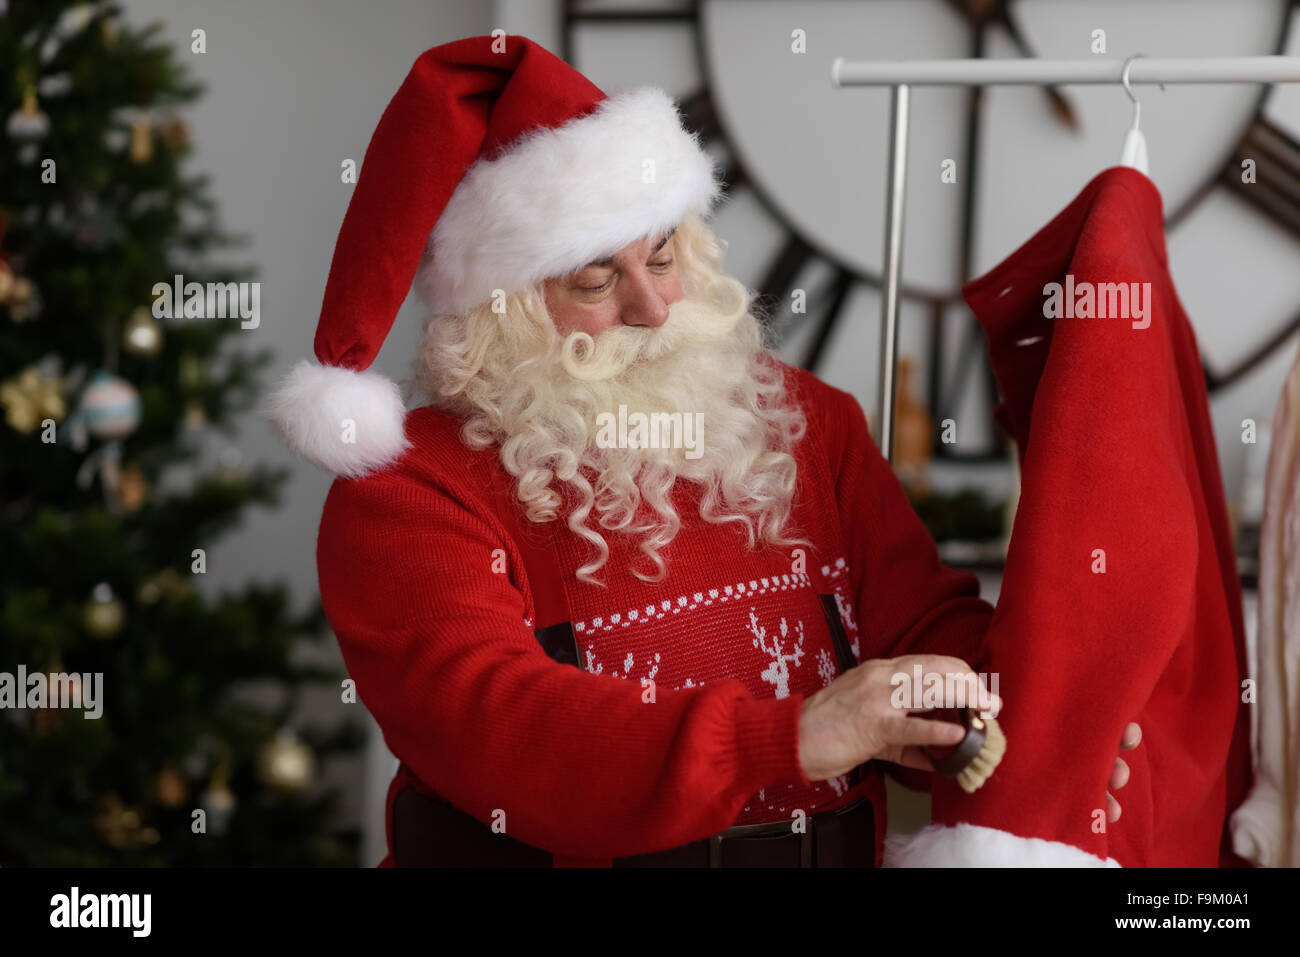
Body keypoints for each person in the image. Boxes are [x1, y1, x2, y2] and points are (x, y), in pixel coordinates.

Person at [265, 33, 1137, 867]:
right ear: (502, 312)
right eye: (596, 278)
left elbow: (919, 630)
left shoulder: (810, 422)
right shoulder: (407, 493)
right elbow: (510, 734)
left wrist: (1026, 713)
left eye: (664, 255)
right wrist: (790, 736)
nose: (652, 306)